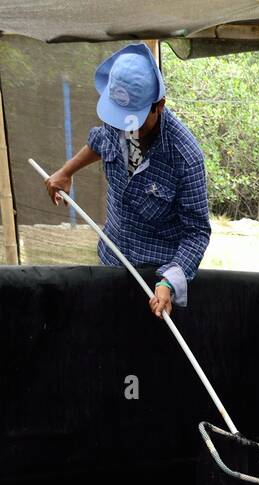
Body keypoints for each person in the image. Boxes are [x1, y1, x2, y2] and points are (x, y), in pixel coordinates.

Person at [44, 42, 210, 317]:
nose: (125, 127)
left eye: (134, 120)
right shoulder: (122, 122)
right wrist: (66, 171)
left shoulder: (184, 157)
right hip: (112, 257)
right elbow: (101, 142)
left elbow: (196, 232)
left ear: (159, 105)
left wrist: (170, 281)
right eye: (120, 119)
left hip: (157, 280)